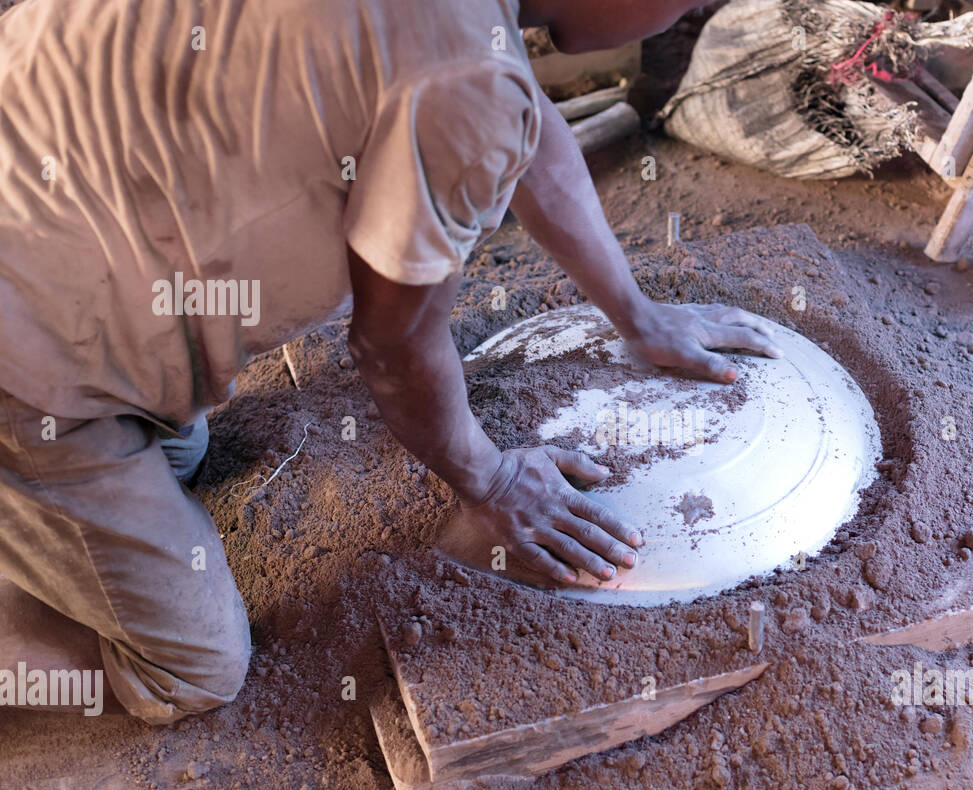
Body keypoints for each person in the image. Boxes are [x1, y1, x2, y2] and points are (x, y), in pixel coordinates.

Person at [0, 0, 778, 722]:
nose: (680, 16)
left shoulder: (470, 36)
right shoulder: (462, 77)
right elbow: (393, 344)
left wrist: (635, 314)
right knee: (195, 668)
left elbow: (524, 129)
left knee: (183, 451)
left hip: (42, 187)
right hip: (28, 358)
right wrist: (493, 479)